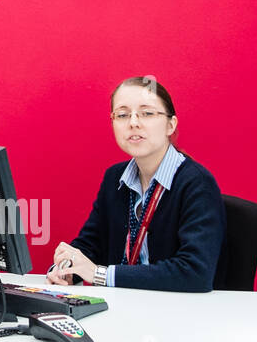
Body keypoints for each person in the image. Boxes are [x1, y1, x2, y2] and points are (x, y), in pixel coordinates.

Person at [46, 76, 227, 292]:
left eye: (147, 113)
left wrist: (99, 274)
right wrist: (68, 268)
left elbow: (195, 272)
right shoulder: (115, 178)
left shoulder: (197, 184)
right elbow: (91, 244)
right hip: (123, 306)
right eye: (122, 115)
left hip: (178, 314)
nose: (133, 122)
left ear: (171, 125)